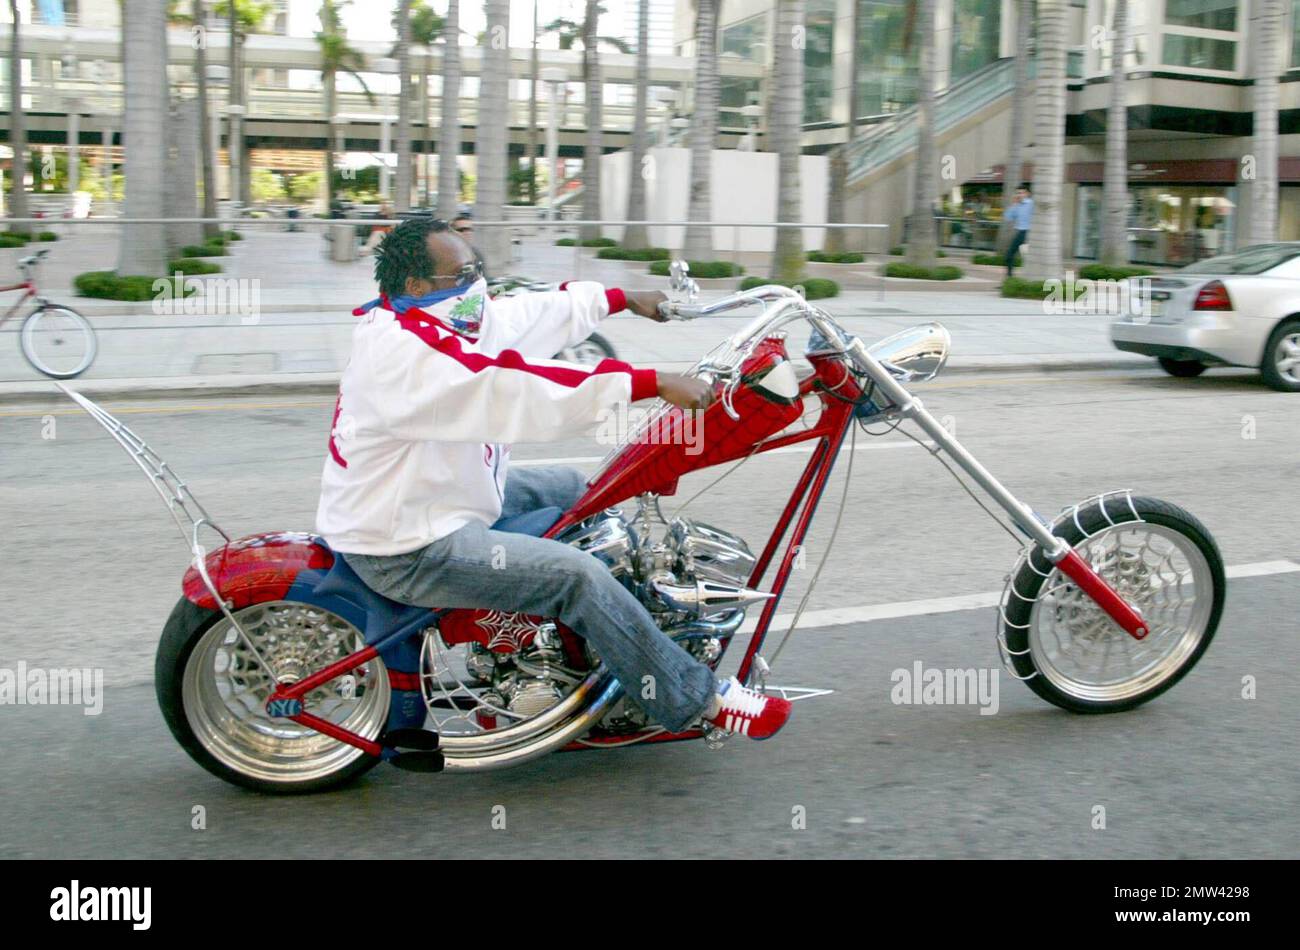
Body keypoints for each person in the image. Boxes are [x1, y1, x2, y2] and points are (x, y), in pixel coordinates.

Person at [316, 217, 792, 740]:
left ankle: (611, 639)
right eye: (464, 274)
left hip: (434, 499)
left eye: (479, 269)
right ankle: (697, 697)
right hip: (407, 543)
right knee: (575, 578)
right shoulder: (407, 352)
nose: (478, 285)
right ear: (416, 286)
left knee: (582, 489)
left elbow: (525, 315)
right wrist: (648, 381)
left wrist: (619, 298)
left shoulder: (436, 318)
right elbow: (510, 386)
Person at [1003, 184, 1033, 277]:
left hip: (1029, 233)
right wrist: (1014, 204)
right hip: (1020, 233)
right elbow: (1007, 218)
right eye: (1018, 193)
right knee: (1009, 256)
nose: (1019, 195)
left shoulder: (1032, 204)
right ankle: (1010, 280)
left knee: (1027, 258)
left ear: (1027, 193)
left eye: (1022, 193)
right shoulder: (1017, 205)